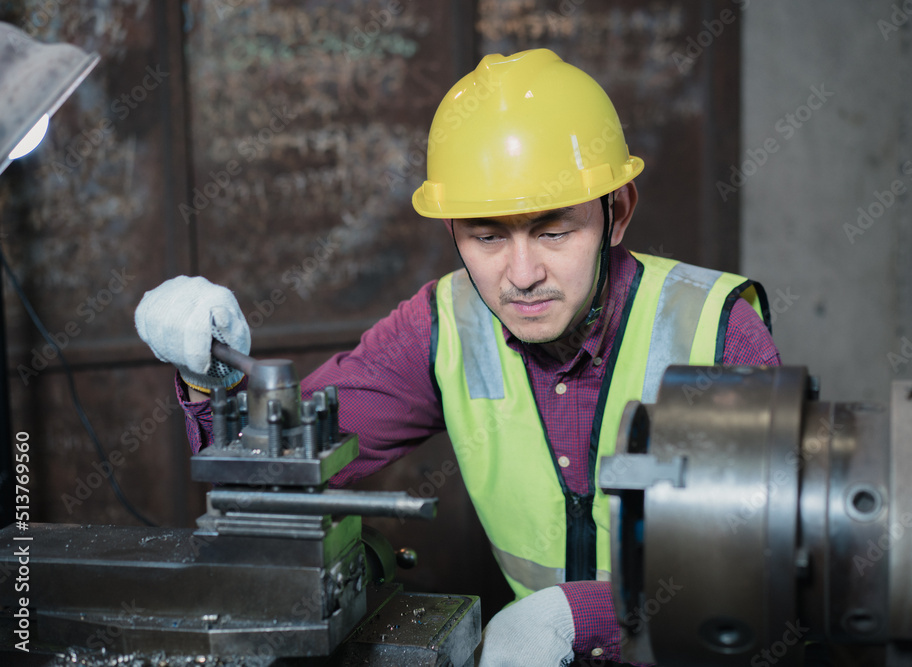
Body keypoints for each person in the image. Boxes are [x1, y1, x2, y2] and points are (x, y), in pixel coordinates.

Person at [135, 48, 780, 666]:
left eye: (554, 230)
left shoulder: (718, 332)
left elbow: (768, 572)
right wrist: (207, 381)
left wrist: (576, 620)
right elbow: (275, 482)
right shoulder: (440, 326)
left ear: (618, 213)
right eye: (487, 235)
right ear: (453, 232)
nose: (521, 275)